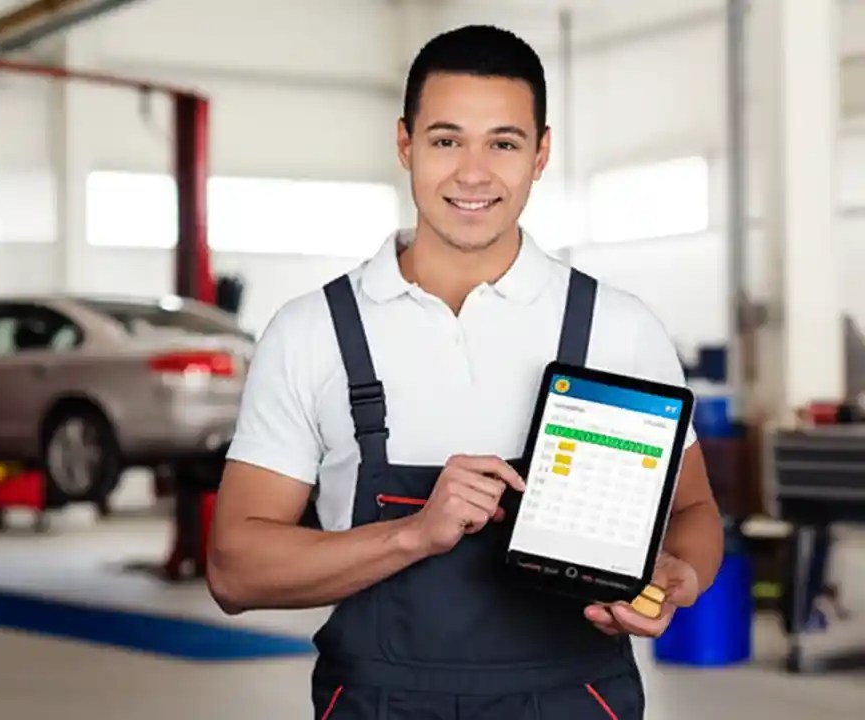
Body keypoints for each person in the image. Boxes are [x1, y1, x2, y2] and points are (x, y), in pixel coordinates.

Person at [207, 25, 723, 719]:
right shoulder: (314, 334)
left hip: (578, 702)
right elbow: (234, 570)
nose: (473, 173)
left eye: (503, 143)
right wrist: (413, 534)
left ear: (541, 153)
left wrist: (674, 578)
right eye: (447, 140)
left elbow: (692, 510)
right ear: (405, 144)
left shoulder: (616, 327)